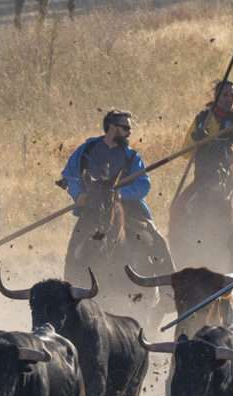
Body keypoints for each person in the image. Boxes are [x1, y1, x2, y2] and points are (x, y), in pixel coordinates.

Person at [59, 110, 176, 274]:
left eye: (129, 129)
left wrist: (121, 194)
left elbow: (143, 185)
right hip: (92, 209)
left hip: (129, 210)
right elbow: (69, 175)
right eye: (125, 128)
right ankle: (70, 285)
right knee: (75, 248)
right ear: (112, 127)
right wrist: (78, 194)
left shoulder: (131, 156)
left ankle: (170, 291)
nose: (129, 133)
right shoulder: (86, 150)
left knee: (157, 241)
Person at [185, 80, 233, 194]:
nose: (229, 99)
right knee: (177, 207)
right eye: (225, 95)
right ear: (216, 97)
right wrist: (197, 141)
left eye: (232, 95)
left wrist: (226, 151)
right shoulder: (202, 120)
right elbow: (186, 152)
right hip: (203, 180)